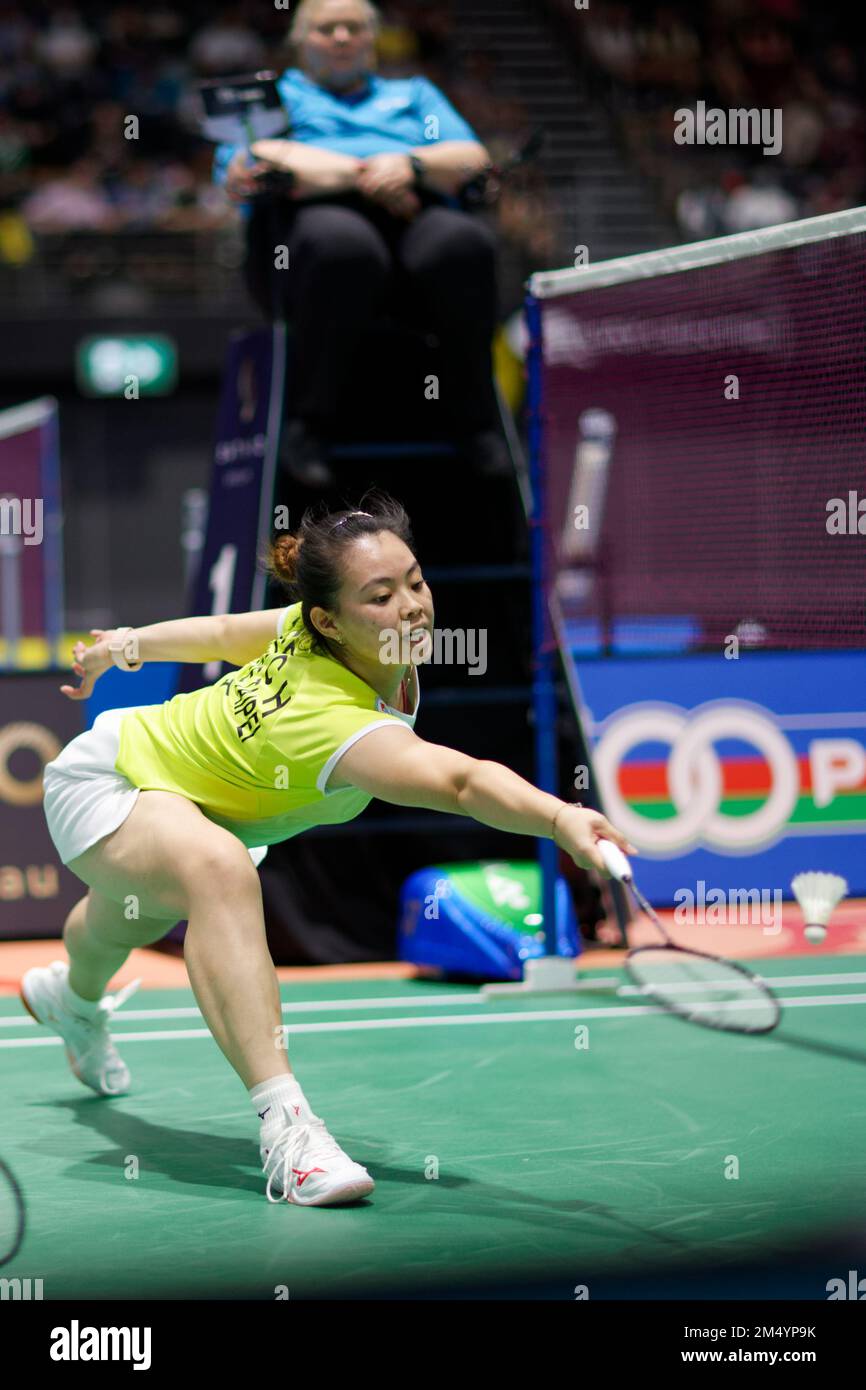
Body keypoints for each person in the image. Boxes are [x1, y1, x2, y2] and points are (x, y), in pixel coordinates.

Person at [26, 493, 633, 1207]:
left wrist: (124, 646)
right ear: (328, 619)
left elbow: (223, 631)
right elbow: (463, 783)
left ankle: (72, 999)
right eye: (380, 596)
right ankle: (288, 1128)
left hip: (190, 797)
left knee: (122, 919)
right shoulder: (332, 720)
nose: (411, 607)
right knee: (216, 869)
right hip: (113, 777)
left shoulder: (326, 634)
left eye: (415, 581)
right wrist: (561, 818)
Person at [213, 0, 509, 484]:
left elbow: (473, 158)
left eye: (355, 27)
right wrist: (379, 173)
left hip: (414, 225)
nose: (343, 37)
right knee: (343, 245)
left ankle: (475, 422)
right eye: (327, 28)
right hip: (308, 240)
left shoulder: (413, 94)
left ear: (373, 39)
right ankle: (310, 425)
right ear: (299, 40)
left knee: (463, 243)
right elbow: (259, 161)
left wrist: (407, 168)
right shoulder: (273, 99)